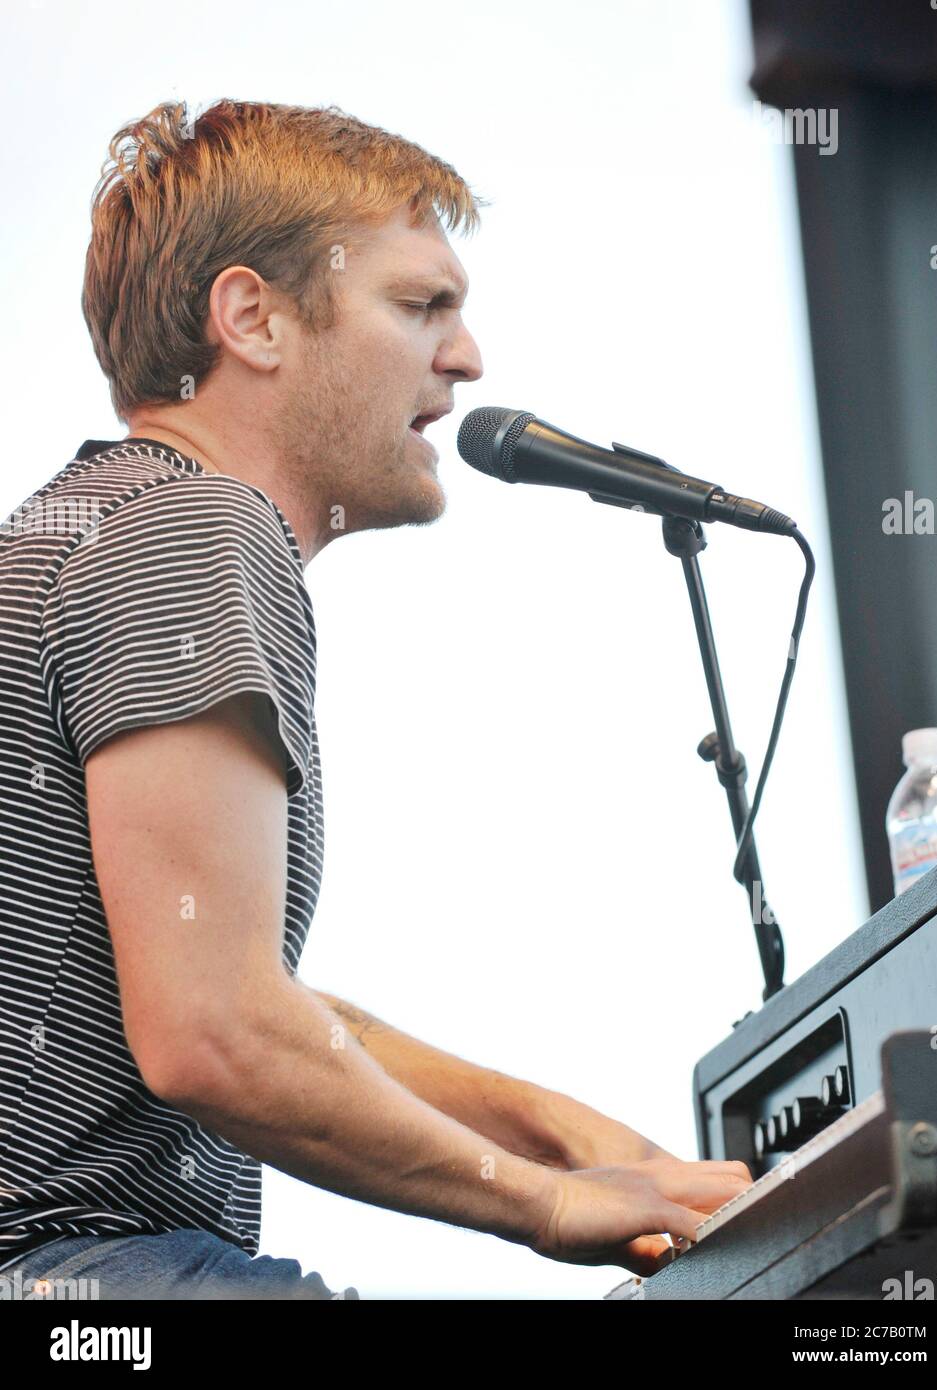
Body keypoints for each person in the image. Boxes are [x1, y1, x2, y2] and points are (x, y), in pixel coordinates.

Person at [0, 99, 750, 1300]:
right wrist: (544, 1201)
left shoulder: (98, 525)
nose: (466, 356)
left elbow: (262, 1001)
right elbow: (214, 1029)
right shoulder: (191, 527)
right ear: (251, 318)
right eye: (419, 306)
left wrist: (560, 1133)